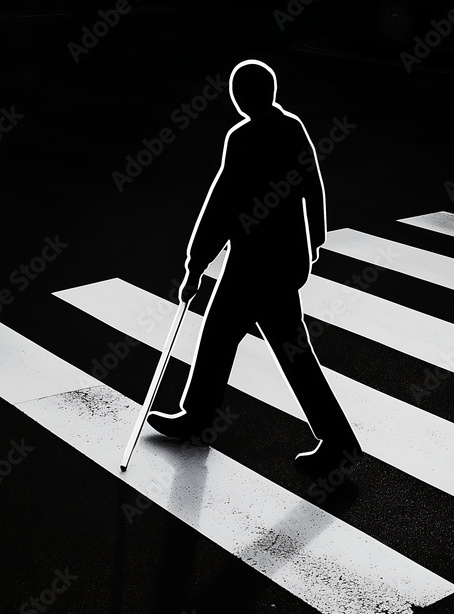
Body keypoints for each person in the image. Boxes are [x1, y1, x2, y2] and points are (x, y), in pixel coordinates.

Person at [147, 59, 363, 473]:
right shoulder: (291, 129)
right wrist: (315, 238)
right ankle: (201, 417)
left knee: (236, 340)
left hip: (252, 265)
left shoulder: (244, 138)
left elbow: (222, 203)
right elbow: (311, 186)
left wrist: (196, 263)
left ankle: (336, 441)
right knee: (263, 345)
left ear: (244, 96)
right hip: (279, 262)